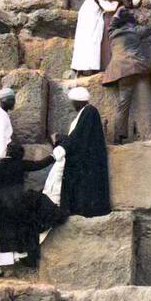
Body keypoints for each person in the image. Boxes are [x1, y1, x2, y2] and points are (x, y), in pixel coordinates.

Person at [0, 141, 62, 271]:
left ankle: (2, 263)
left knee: (4, 232)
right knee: (22, 229)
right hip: (18, 202)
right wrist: (54, 156)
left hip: (1, 204)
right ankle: (22, 256)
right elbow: (39, 165)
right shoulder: (20, 164)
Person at [100, 3, 151, 144]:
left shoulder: (112, 33)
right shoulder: (135, 31)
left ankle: (118, 137)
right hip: (133, 65)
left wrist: (121, 8)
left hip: (117, 70)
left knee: (123, 103)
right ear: (131, 22)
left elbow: (114, 20)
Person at [57, 86, 110, 217]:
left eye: (73, 101)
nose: (72, 105)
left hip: (88, 160)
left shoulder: (89, 111)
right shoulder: (85, 113)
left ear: (78, 101)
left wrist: (63, 143)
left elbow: (79, 135)